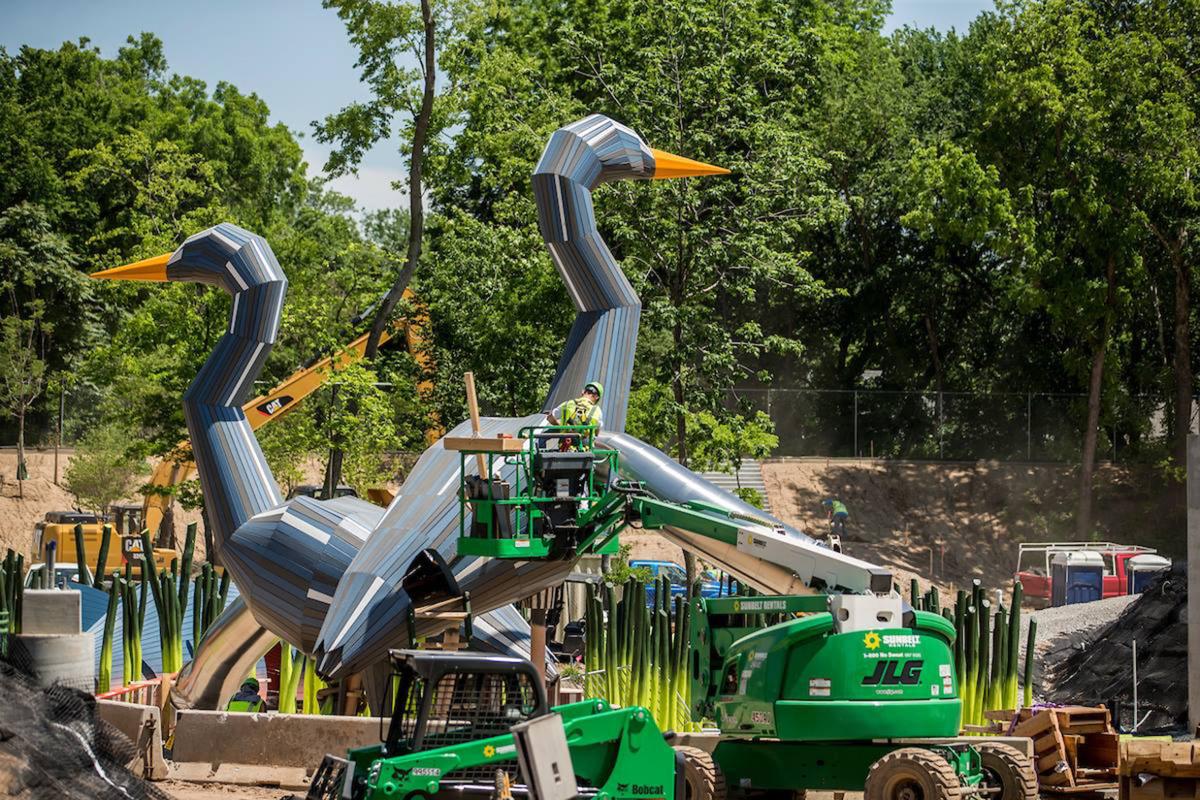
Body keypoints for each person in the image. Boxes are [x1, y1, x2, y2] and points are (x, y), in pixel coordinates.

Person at [545, 381, 604, 450]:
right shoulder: (597, 411)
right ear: (597, 397)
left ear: (583, 392)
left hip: (564, 449)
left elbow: (550, 418)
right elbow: (596, 433)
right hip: (585, 452)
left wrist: (561, 427)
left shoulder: (567, 404)